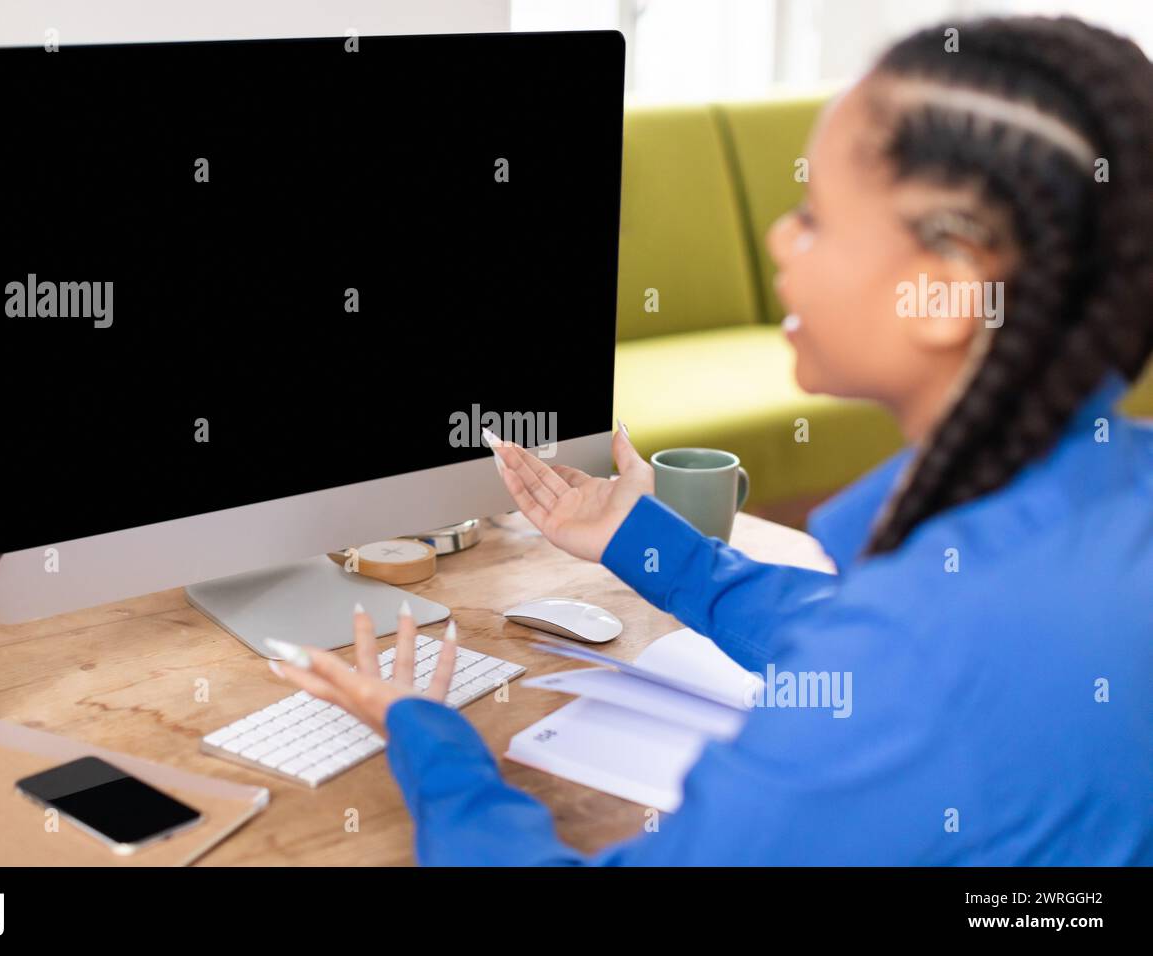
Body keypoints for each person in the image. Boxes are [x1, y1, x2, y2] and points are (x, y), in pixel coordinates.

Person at [270, 15, 1153, 864]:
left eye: (813, 215)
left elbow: (896, 667)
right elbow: (850, 636)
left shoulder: (919, 666)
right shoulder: (1101, 507)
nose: (779, 235)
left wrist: (434, 745)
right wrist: (645, 543)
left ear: (948, 287)